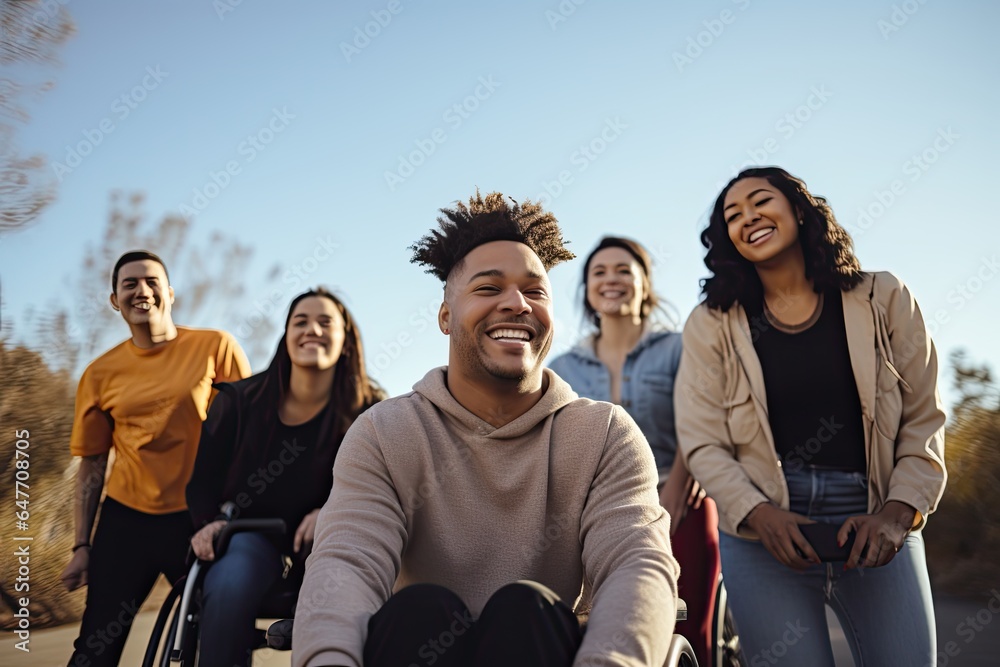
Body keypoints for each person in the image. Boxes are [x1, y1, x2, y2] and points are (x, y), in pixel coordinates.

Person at [293, 192, 678, 667]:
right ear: (446, 316)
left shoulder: (605, 434)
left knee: (525, 608)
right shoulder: (384, 432)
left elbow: (635, 564)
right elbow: (346, 563)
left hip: (541, 644)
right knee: (421, 611)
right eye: (489, 288)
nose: (517, 304)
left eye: (535, 292)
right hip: (417, 645)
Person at [675, 167, 947, 666]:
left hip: (875, 517)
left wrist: (897, 514)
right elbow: (701, 441)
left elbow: (923, 419)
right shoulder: (710, 323)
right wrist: (759, 513)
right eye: (733, 215)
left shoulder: (883, 297)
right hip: (763, 531)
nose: (749, 218)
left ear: (799, 211)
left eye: (762, 202)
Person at [60, 250, 250, 667]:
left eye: (151, 281)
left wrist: (233, 512)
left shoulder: (215, 347)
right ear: (115, 300)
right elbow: (92, 465)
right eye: (129, 284)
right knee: (95, 647)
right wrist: (81, 544)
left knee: (214, 639)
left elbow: (247, 436)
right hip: (126, 520)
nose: (141, 291)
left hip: (198, 520)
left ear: (170, 292)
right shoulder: (99, 373)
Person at [186, 287, 384, 667]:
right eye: (301, 322)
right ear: (286, 335)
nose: (313, 330)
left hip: (333, 536)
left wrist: (331, 509)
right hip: (250, 533)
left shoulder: (373, 409)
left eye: (326, 322)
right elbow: (203, 482)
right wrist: (207, 524)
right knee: (230, 581)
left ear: (345, 340)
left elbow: (380, 487)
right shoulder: (238, 401)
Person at [549, 236, 721, 667]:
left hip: (678, 496)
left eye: (624, 270)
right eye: (599, 272)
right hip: (590, 514)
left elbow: (702, 416)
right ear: (587, 289)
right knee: (603, 622)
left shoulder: (679, 348)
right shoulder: (563, 368)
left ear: (646, 283)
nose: (612, 280)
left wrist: (681, 482)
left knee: (687, 624)